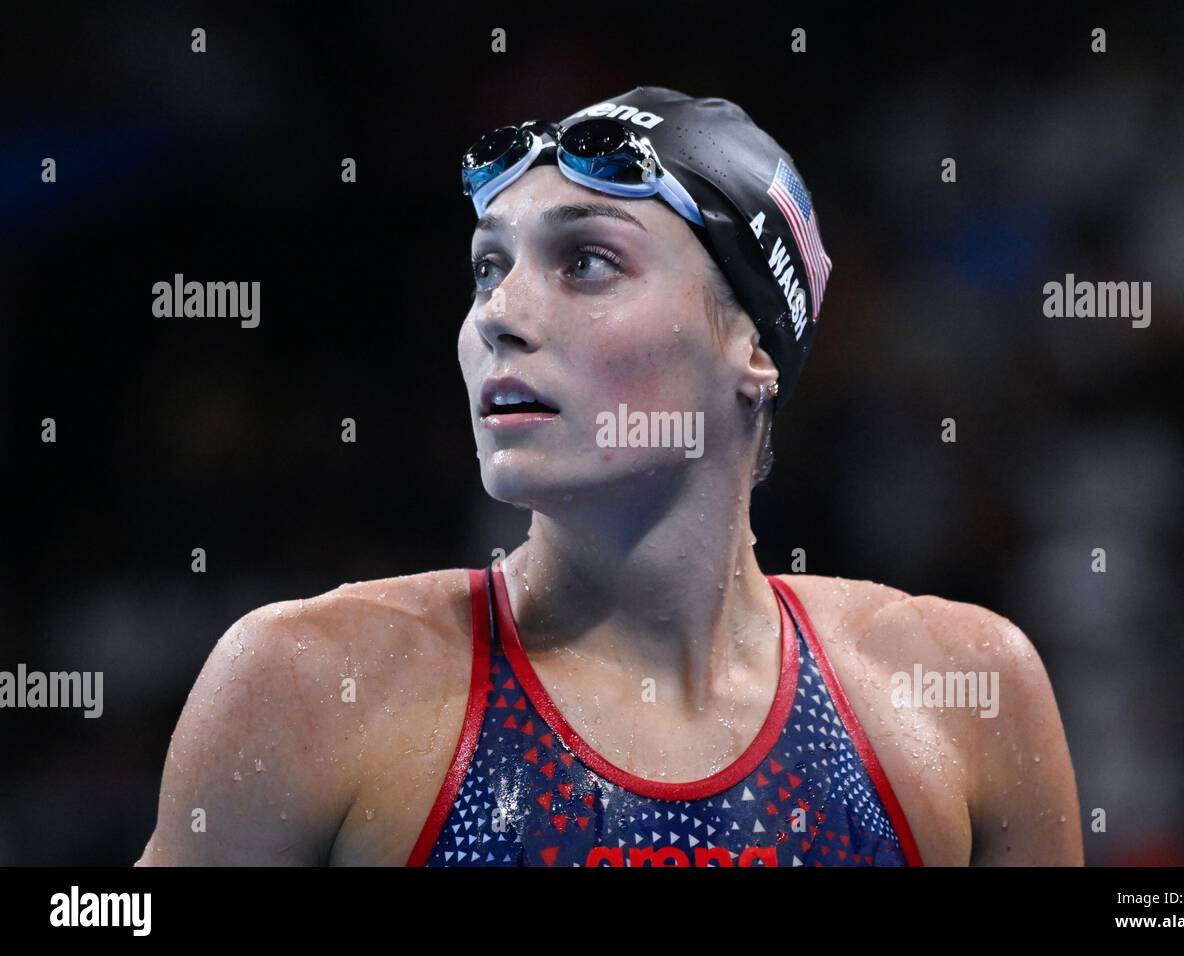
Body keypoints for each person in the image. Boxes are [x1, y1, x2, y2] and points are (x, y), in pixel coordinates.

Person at [137, 86, 1083, 867]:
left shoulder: (959, 693)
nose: (498, 314)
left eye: (585, 262)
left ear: (751, 344)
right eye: (488, 267)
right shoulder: (307, 686)